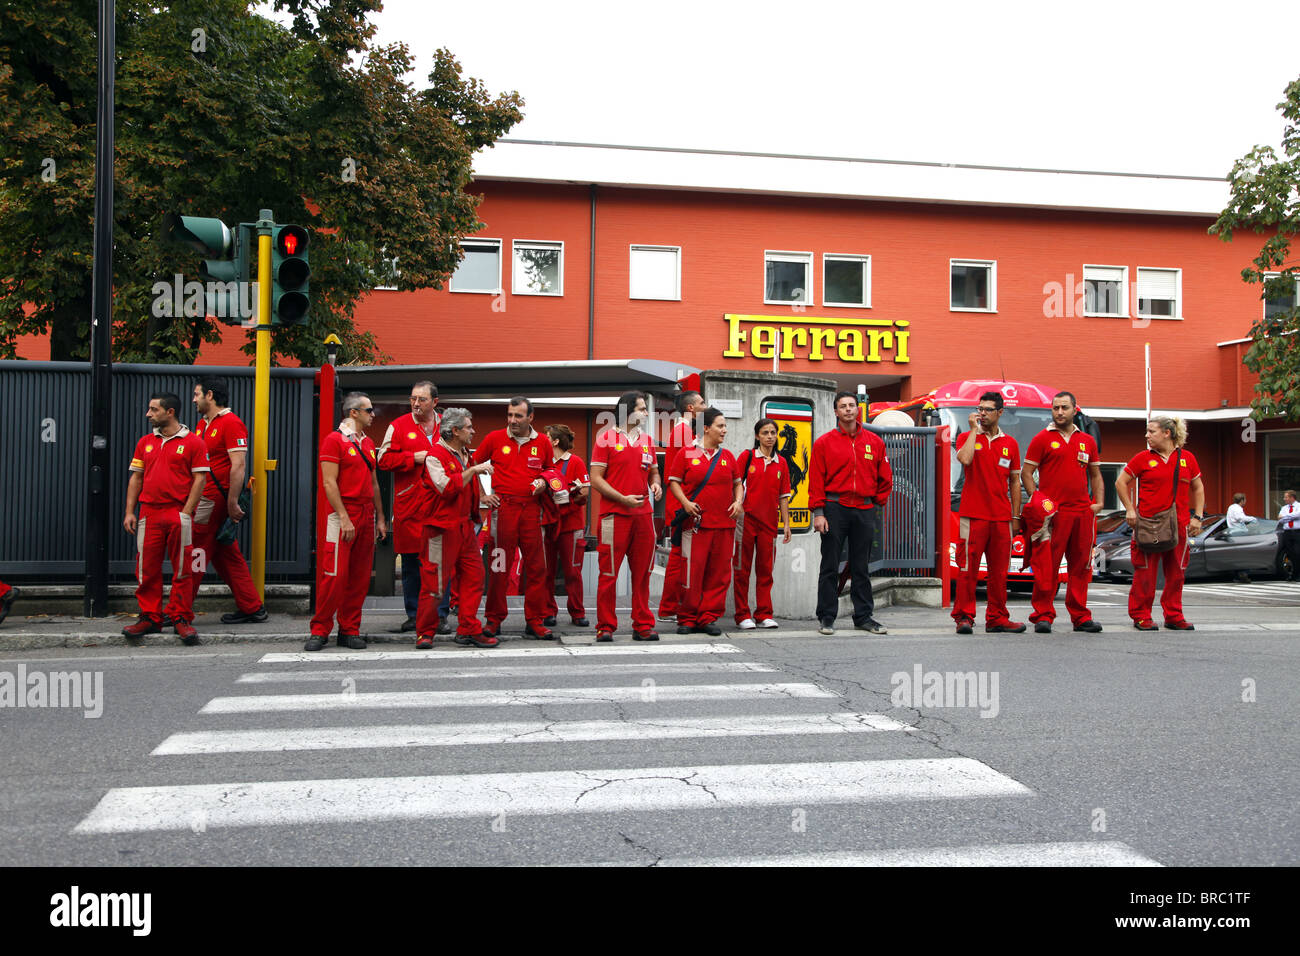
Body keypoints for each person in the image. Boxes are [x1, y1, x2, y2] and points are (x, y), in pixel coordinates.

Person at [122, 392, 211, 645]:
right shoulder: (145, 442)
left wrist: (186, 513)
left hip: (176, 512)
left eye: (154, 410)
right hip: (149, 513)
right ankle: (150, 617)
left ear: (169, 412)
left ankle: (181, 617)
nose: (148, 414)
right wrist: (130, 511)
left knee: (183, 569)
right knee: (146, 568)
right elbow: (136, 478)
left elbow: (200, 480)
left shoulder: (194, 443)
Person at [308, 393, 388, 651]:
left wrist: (380, 518)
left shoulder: (367, 444)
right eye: (369, 410)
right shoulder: (334, 441)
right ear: (354, 413)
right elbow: (329, 482)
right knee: (335, 575)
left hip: (366, 514)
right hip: (344, 513)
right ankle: (320, 629)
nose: (373, 414)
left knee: (359, 577)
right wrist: (343, 517)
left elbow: (375, 483)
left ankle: (349, 629)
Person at [413, 408, 498, 649]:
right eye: (469, 427)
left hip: (463, 526)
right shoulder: (435, 455)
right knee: (435, 583)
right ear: (455, 431)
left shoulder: (462, 453)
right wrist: (472, 470)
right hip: (439, 529)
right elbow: (446, 488)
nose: (473, 431)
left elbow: (468, 486)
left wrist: (479, 493)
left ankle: (468, 629)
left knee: (474, 577)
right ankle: (425, 632)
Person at [809, 391, 892, 636]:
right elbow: (816, 480)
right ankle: (826, 617)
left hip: (865, 510)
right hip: (834, 509)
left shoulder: (875, 442)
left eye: (851, 406)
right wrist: (819, 512)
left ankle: (864, 617)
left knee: (861, 567)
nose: (848, 409)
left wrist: (877, 502)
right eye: (843, 406)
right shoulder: (824, 443)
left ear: (858, 410)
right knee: (830, 566)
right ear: (836, 412)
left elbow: (885, 477)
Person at [1021, 391, 1104, 634]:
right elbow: (1027, 473)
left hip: (1082, 512)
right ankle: (1042, 615)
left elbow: (1096, 474)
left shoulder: (1087, 441)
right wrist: (1038, 501)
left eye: (1064, 408)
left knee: (1081, 567)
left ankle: (1080, 617)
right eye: (1055, 408)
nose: (1059, 412)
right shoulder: (1042, 439)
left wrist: (1098, 502)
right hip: (1053, 515)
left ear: (1074, 410)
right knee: (1048, 566)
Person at [474, 396, 555, 639]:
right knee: (499, 566)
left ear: (531, 417)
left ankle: (535, 620)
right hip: (503, 509)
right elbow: (471, 464)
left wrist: (544, 480)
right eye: (509, 415)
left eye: (518, 416)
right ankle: (493, 619)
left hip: (532, 510)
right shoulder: (494, 438)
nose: (512, 421)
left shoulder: (542, 442)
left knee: (537, 568)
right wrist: (483, 496)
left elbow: (551, 469)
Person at [188, 377, 266, 624]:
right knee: (226, 554)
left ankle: (179, 609)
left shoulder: (231, 423)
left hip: (213, 501)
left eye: (197, 394)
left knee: (195, 553)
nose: (194, 399)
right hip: (208, 498)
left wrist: (232, 502)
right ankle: (252, 606)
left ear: (209, 395)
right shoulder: (203, 424)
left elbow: (239, 465)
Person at [1115, 415, 1204, 631]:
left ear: (1167, 433)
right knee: (1145, 572)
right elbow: (1121, 482)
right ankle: (1141, 616)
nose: (1147, 435)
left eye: (1151, 431)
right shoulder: (1143, 458)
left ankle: (1174, 616)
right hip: (1148, 524)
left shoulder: (1188, 459)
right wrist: (1130, 509)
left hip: (1179, 525)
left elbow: (1198, 487)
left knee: (1177, 572)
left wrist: (1198, 516)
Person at [589, 391, 663, 642]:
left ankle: (642, 625)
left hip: (643, 516)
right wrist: (621, 498)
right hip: (613, 516)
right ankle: (605, 626)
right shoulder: (606, 439)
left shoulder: (647, 440)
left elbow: (653, 472)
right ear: (626, 411)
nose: (645, 413)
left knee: (642, 573)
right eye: (641, 409)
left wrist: (656, 484)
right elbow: (596, 479)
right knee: (608, 572)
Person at [952, 391, 1025, 634]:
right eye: (979, 408)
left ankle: (997, 618)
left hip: (1001, 517)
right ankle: (964, 616)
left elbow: (1015, 482)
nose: (981, 413)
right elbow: (965, 458)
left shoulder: (1010, 444)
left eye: (987, 409)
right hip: (973, 515)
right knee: (967, 569)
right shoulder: (966, 436)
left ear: (1000, 413)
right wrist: (974, 430)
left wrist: (1016, 516)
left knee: (1000, 572)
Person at [669, 408, 744, 636]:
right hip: (695, 526)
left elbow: (737, 483)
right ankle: (687, 617)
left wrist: (738, 502)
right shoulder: (687, 453)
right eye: (720, 426)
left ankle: (708, 617)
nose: (725, 430)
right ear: (706, 428)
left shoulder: (728, 457)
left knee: (719, 575)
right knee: (691, 572)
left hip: (724, 525)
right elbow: (674, 482)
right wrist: (685, 503)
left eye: (725, 426)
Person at [377, 380, 441, 633]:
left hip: (440, 505)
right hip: (410, 506)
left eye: (421, 399)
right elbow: (382, 459)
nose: (415, 404)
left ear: (435, 402)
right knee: (412, 563)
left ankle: (440, 616)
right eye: (413, 398)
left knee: (438, 564)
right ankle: (414, 615)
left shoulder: (448, 424)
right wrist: (412, 458)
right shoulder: (398, 426)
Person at [733, 418, 791, 630]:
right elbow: (735, 485)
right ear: (757, 436)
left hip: (769, 523)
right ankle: (742, 615)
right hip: (746, 521)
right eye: (765, 433)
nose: (769, 436)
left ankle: (764, 614)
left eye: (773, 433)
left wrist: (786, 523)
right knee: (742, 570)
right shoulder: (747, 457)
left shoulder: (782, 463)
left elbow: (784, 496)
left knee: (766, 570)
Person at [658, 389, 704, 621]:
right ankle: (669, 608)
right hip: (682, 505)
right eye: (702, 403)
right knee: (679, 558)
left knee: (680, 557)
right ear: (691, 408)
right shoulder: (684, 432)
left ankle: (670, 607)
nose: (706, 407)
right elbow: (686, 472)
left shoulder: (682, 430)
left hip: (681, 504)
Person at [543, 424, 590, 628]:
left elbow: (586, 491)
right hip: (547, 523)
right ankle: (547, 612)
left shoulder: (575, 461)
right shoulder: (542, 463)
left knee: (573, 572)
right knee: (546, 571)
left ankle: (577, 612)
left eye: (546, 437)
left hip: (571, 524)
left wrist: (576, 493)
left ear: (555, 441)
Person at [1226, 492, 1252, 582]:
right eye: (1245, 500)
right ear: (1242, 500)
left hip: (1233, 532)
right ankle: (1243, 572)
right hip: (1239, 533)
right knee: (1244, 553)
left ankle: (1237, 575)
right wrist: (1253, 519)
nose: (1245, 501)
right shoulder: (1237, 508)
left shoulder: (1231, 507)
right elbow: (1241, 518)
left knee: (1236, 553)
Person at [1279, 490, 1300, 581]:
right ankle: (1293, 574)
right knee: (1290, 554)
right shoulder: (1284, 508)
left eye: (1286, 497)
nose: (1284, 499)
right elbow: (1280, 518)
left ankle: (1298, 574)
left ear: (1292, 497)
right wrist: (1288, 516)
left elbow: (1297, 515)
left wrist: (1285, 516)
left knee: (1297, 552)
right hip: (1287, 533)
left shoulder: (1299, 506)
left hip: (1297, 532)